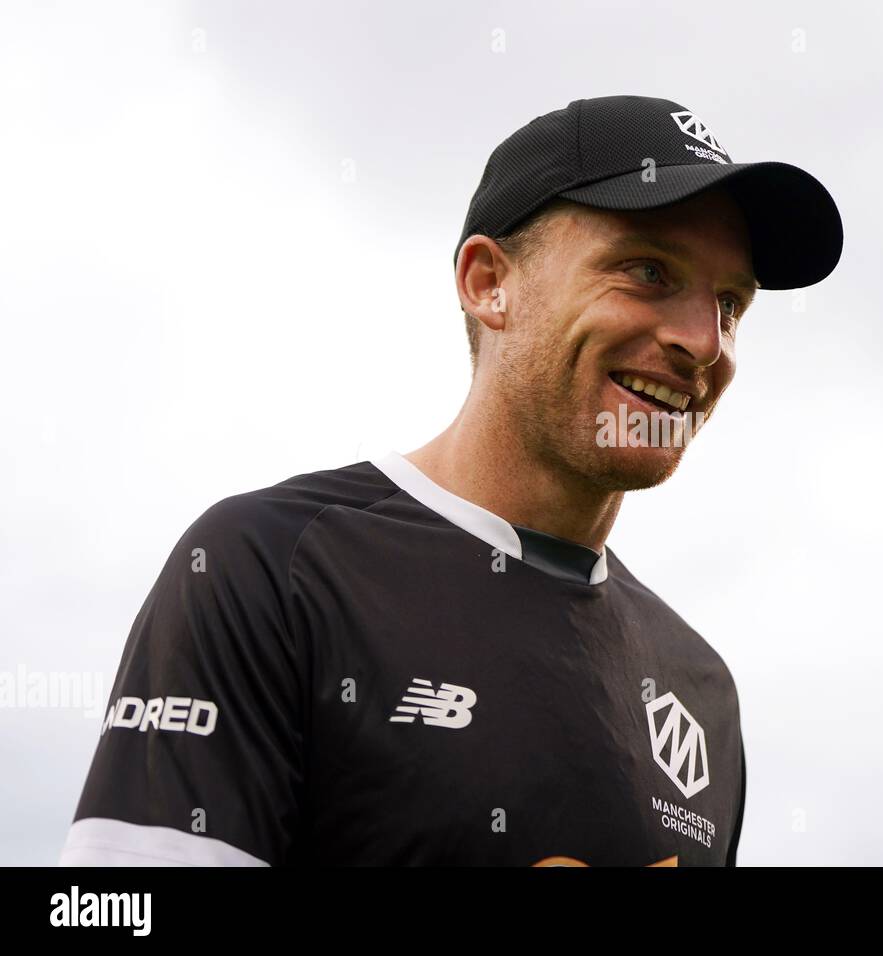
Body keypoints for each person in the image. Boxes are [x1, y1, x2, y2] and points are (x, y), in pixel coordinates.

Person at [58, 94, 843, 866]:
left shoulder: (699, 687)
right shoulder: (272, 567)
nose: (703, 343)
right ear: (486, 282)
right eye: (648, 271)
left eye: (731, 305)